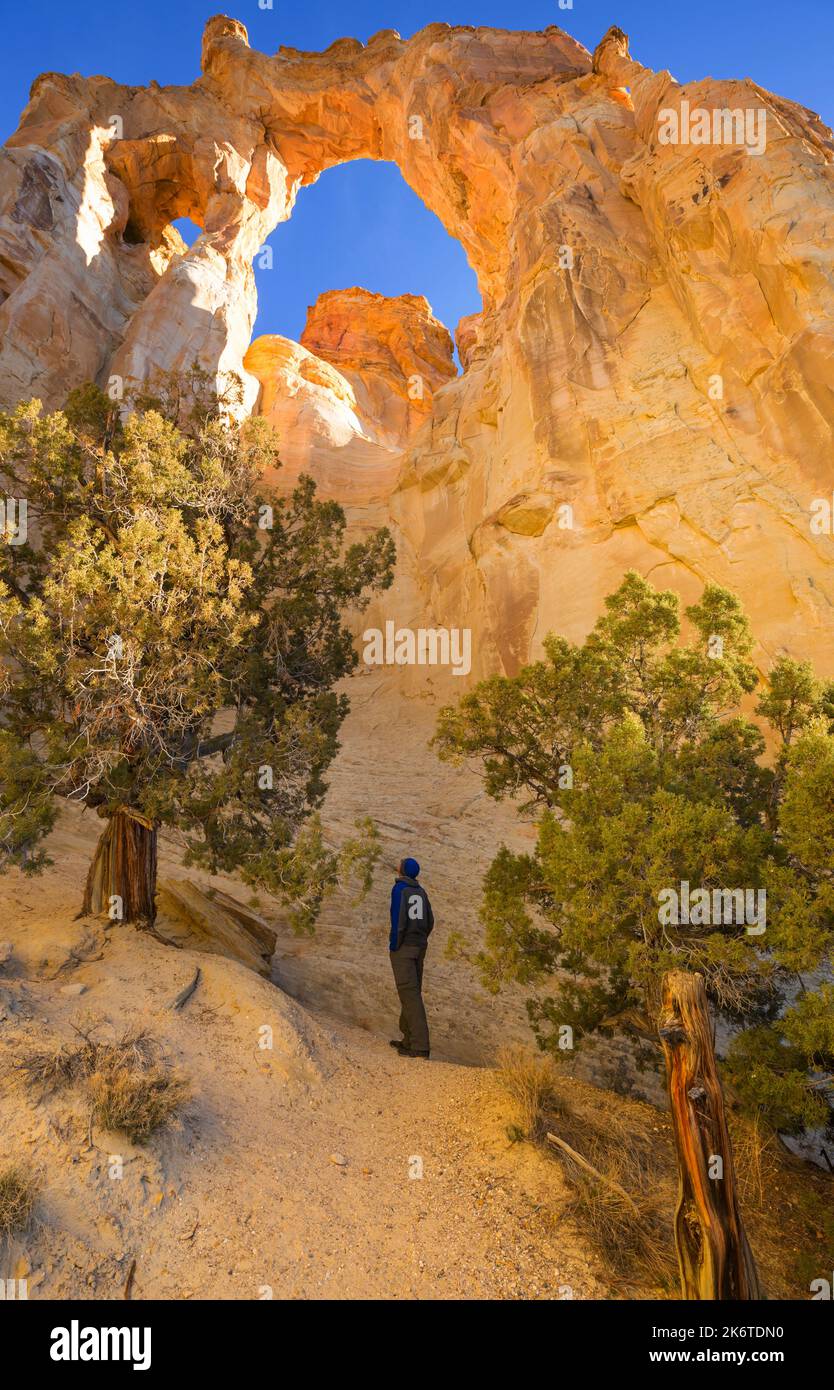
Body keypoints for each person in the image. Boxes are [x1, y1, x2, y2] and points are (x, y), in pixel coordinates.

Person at [388, 856, 434, 1058]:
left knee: (410, 994)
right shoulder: (421, 892)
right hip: (419, 947)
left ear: (403, 870)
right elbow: (430, 920)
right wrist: (421, 938)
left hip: (404, 948)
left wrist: (395, 945)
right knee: (412, 992)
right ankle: (408, 1039)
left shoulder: (400, 890)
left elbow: (398, 919)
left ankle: (420, 1046)